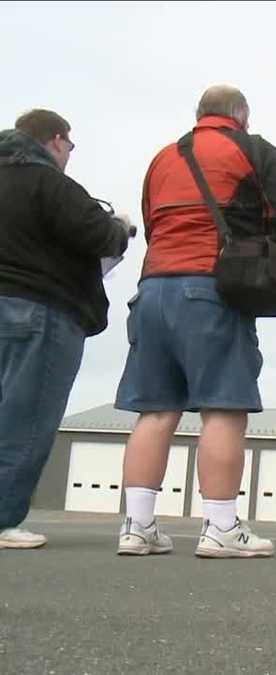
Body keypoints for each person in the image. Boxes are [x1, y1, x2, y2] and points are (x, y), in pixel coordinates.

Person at [113, 85, 276, 558]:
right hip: (210, 287)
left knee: (156, 410)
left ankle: (137, 528)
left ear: (200, 113)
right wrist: (259, 242)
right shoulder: (251, 147)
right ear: (240, 114)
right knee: (223, 407)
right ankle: (221, 526)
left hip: (153, 287)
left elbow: (150, 218)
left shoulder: (163, 157)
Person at [0, 109, 133, 550]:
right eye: (70, 146)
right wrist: (119, 228)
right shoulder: (49, 182)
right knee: (27, 417)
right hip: (38, 310)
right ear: (56, 140)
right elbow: (99, 237)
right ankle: (3, 519)